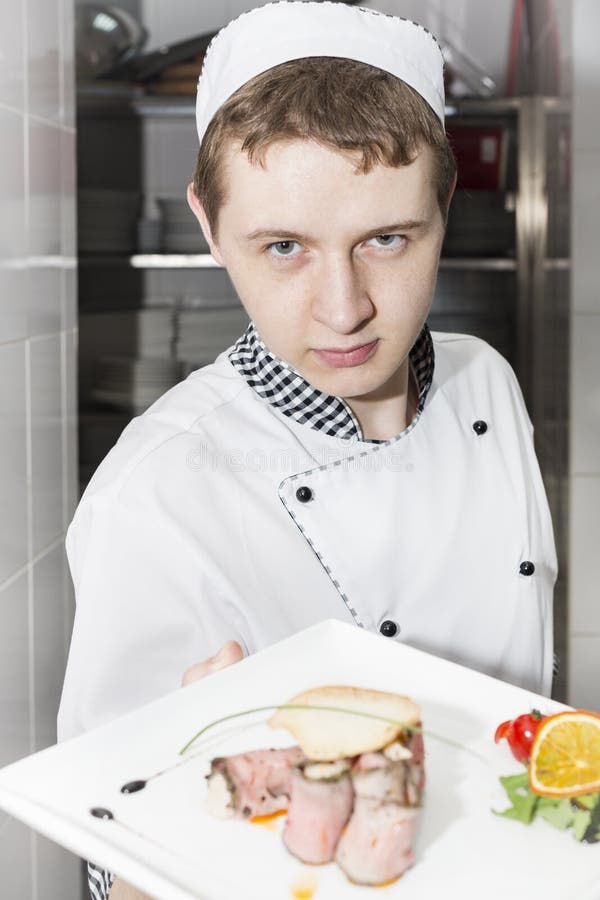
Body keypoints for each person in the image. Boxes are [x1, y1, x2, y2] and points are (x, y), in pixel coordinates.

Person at [58, 3, 557, 898]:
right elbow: (109, 866)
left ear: (445, 205)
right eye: (284, 246)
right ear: (208, 225)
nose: (344, 310)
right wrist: (179, 808)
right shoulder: (158, 488)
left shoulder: (487, 381)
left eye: (387, 240)